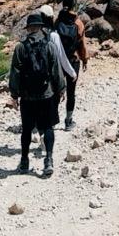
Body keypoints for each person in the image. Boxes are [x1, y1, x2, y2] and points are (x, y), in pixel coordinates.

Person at [8, 12, 75, 176]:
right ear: (41, 27)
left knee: (26, 129)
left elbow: (15, 72)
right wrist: (61, 89)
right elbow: (56, 70)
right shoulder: (50, 45)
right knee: (48, 127)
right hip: (47, 95)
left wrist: (14, 95)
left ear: (29, 28)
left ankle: (24, 160)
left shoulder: (20, 47)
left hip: (27, 96)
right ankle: (49, 160)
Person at [53, 0, 89, 129]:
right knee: (71, 92)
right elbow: (82, 44)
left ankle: (52, 119)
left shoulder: (57, 22)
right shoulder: (78, 23)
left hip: (58, 61)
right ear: (74, 6)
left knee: (56, 90)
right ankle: (68, 121)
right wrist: (85, 59)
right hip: (73, 60)